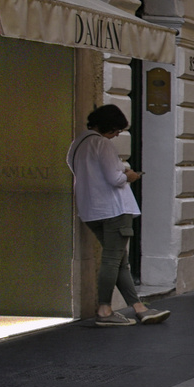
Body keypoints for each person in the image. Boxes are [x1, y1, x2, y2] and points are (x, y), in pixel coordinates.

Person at [67, 105, 168, 326]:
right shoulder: (102, 144)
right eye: (116, 130)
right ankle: (104, 311)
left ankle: (140, 308)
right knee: (113, 260)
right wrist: (130, 175)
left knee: (120, 261)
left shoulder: (77, 144)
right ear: (108, 126)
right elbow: (115, 178)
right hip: (114, 209)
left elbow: (79, 171)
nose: (117, 134)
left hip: (90, 210)